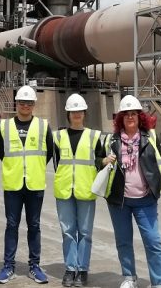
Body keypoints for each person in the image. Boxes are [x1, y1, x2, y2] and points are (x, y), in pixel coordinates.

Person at [102, 95, 161, 288]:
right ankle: (129, 277)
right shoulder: (111, 140)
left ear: (140, 117)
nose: (130, 117)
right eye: (126, 114)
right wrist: (103, 161)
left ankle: (159, 282)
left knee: (153, 242)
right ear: (120, 118)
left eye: (134, 114)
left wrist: (154, 187)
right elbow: (99, 161)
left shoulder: (150, 138)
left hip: (145, 200)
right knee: (123, 241)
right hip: (119, 201)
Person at [0, 85, 54, 284]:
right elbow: (2, 154)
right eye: (22, 102)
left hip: (35, 184)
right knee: (11, 225)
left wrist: (32, 168)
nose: (25, 106)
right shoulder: (5, 126)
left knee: (34, 226)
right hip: (13, 184)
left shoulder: (43, 126)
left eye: (29, 103)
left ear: (34, 105)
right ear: (16, 104)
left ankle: (34, 266)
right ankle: (8, 266)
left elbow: (48, 153)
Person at [52, 93, 108, 287]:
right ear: (68, 114)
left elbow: (99, 160)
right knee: (67, 231)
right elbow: (56, 163)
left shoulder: (94, 136)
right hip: (64, 190)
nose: (77, 114)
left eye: (80, 111)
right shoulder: (58, 136)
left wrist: (105, 161)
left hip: (85, 190)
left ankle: (82, 270)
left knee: (85, 232)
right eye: (73, 111)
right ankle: (70, 269)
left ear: (84, 113)